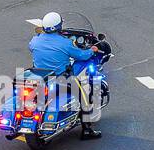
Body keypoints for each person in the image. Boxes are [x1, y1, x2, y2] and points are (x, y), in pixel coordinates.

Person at [28, 12, 104, 140]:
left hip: (40, 78)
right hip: (61, 79)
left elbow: (32, 48)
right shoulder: (65, 43)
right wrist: (92, 50)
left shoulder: (35, 40)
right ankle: (87, 129)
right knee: (83, 96)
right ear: (59, 27)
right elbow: (82, 56)